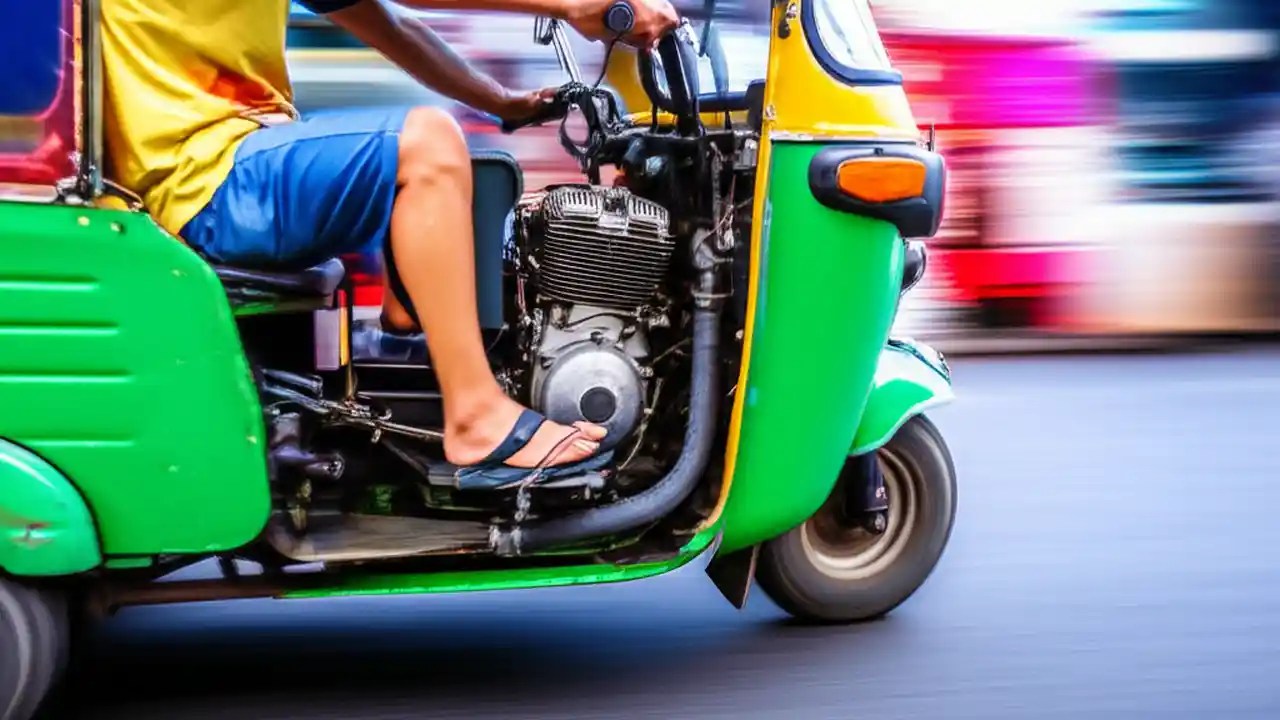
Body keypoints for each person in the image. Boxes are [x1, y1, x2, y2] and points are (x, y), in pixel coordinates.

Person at [100, 0, 678, 482]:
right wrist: (578, 5)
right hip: (205, 183)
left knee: (439, 161)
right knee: (426, 142)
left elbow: (391, 23)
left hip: (221, 167)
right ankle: (474, 416)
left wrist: (500, 102)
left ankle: (417, 338)